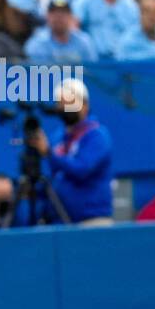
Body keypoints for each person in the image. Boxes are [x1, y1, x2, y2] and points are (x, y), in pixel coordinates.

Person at [28, 78, 114, 225]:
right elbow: (55, 175)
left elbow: (81, 168)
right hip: (59, 221)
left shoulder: (97, 135)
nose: (65, 108)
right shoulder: (57, 137)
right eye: (61, 103)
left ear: (85, 106)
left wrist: (49, 153)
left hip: (91, 221)